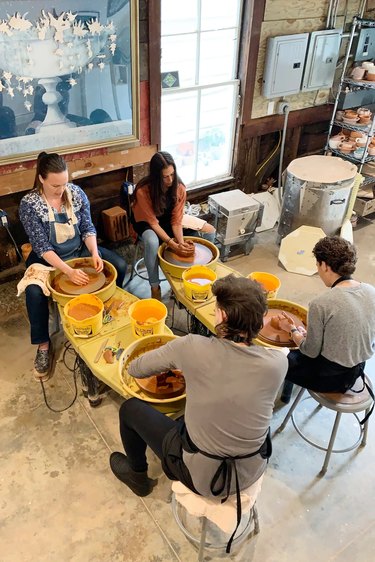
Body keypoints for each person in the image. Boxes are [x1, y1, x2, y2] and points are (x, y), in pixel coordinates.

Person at [110, 275, 288, 549]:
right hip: (252, 468)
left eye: (216, 308)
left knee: (131, 409)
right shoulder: (277, 363)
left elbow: (136, 368)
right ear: (261, 320)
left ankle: (138, 477)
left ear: (223, 316)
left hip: (202, 477)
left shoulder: (191, 346)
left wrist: (184, 362)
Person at [19, 152, 127, 381]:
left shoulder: (76, 193)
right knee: (34, 293)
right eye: (55, 185)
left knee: (118, 265)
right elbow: (41, 246)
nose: (61, 189)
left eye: (64, 183)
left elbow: (88, 228)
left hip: (79, 250)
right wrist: (67, 271)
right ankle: (43, 346)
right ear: (41, 179)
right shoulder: (30, 204)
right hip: (47, 258)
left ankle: (100, 313)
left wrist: (95, 253)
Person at [279, 235, 375, 404]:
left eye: (317, 264)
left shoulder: (321, 304)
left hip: (330, 379)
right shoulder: (370, 291)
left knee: (280, 360)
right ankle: (287, 395)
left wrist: (293, 330)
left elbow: (310, 351)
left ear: (324, 265)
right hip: (358, 367)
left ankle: (284, 399)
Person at [131, 151, 215, 300]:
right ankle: (155, 287)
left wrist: (181, 245)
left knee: (209, 231)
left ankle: (190, 279)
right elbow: (153, 222)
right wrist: (171, 243)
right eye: (165, 177)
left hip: (168, 219)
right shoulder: (143, 190)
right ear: (156, 177)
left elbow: (176, 220)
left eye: (172, 174)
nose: (170, 180)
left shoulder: (179, 187)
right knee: (152, 242)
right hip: (146, 221)